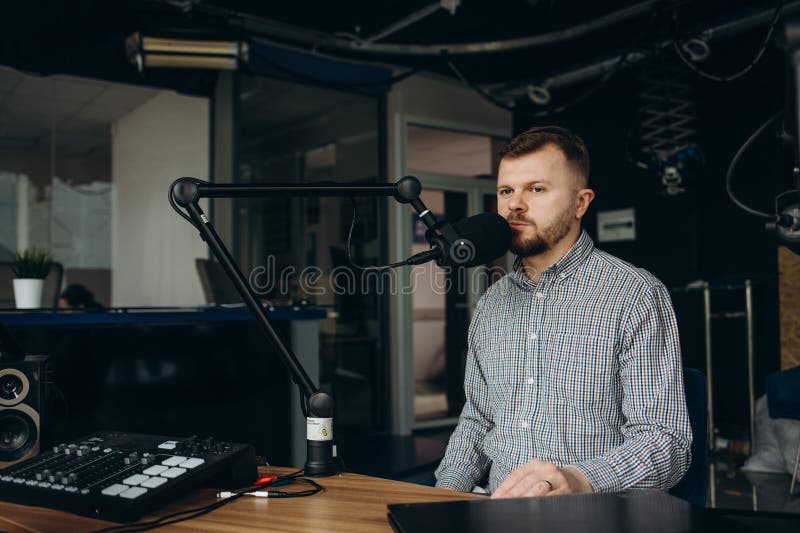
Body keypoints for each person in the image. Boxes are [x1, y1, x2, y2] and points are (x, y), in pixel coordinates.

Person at [434, 125, 692, 498]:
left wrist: (582, 480)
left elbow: (666, 442)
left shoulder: (635, 295)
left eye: (536, 189)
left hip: (594, 517)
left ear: (580, 203)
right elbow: (477, 421)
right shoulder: (491, 304)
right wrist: (444, 496)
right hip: (496, 515)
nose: (514, 205)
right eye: (506, 191)